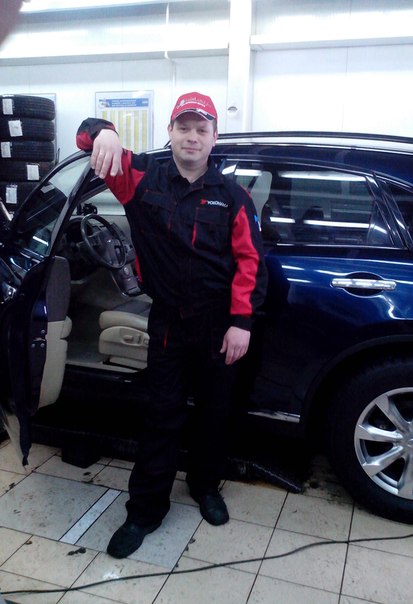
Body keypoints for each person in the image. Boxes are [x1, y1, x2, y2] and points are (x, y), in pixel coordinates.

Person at [76, 92, 268, 558]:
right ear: (170, 132)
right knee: (161, 415)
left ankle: (204, 486)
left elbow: (251, 262)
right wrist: (103, 131)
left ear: (214, 138)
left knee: (214, 413)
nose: (192, 137)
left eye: (202, 129)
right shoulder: (140, 178)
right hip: (167, 323)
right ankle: (145, 512)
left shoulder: (233, 197)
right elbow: (84, 138)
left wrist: (241, 322)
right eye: (184, 127)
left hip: (218, 327)